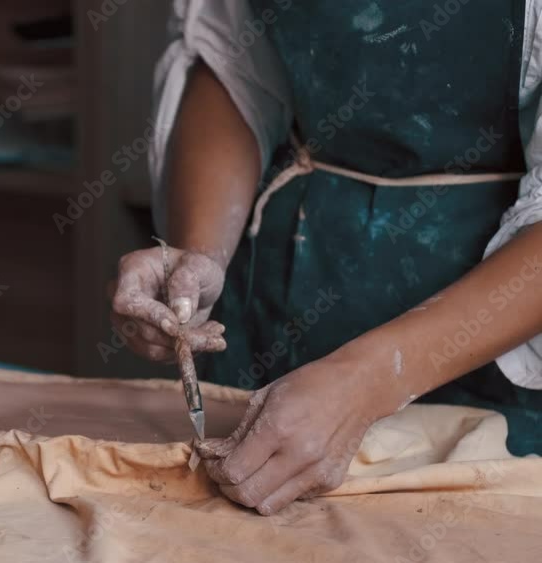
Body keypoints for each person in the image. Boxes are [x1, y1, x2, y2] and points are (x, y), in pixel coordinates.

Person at [111, 0, 542, 516]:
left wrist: (372, 380)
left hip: (491, 325)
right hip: (279, 281)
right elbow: (234, 64)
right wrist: (200, 253)